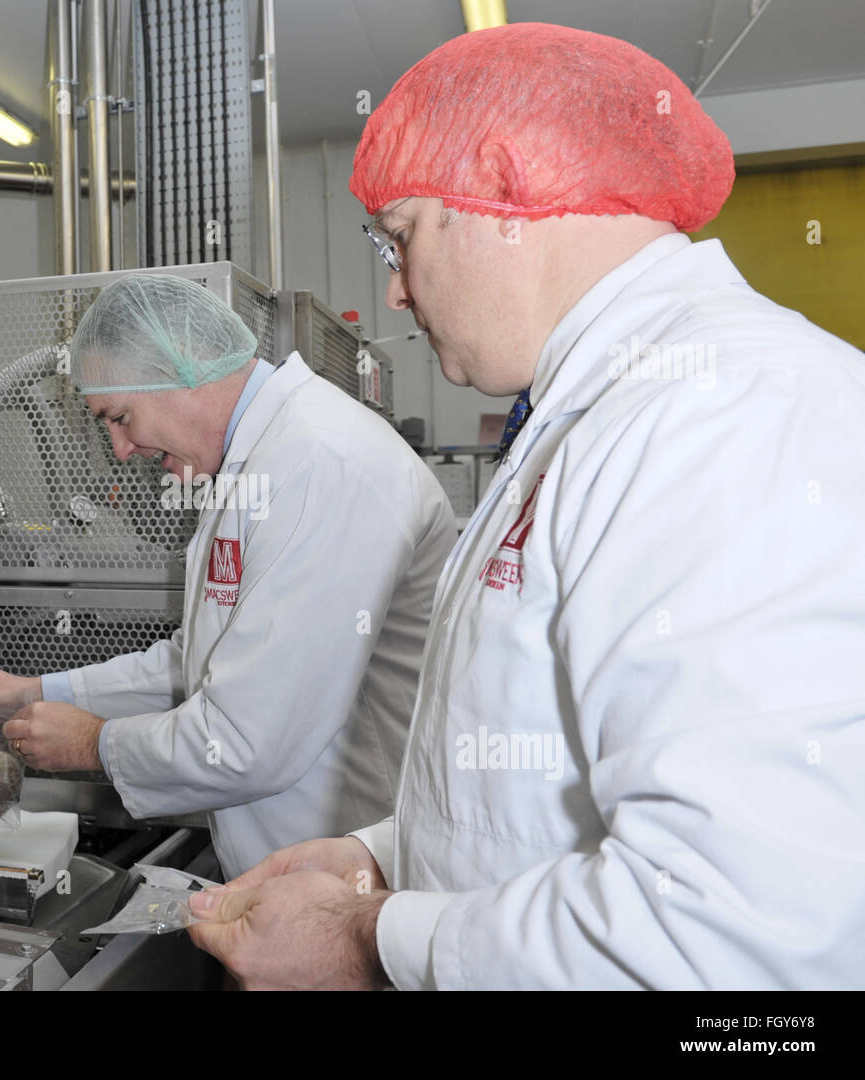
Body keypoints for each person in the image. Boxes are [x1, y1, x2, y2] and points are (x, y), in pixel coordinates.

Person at [187, 22, 865, 988]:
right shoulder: (599, 410)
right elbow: (555, 774)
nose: (391, 292)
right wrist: (385, 859)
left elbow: (733, 934)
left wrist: (367, 940)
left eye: (401, 236)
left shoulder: (727, 413)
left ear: (501, 189)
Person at [0, 274, 457, 879]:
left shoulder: (316, 463)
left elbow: (247, 741)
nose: (121, 449)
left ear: (179, 372)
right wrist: (34, 694)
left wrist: (94, 743)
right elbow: (202, 663)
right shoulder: (256, 463)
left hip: (353, 888)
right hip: (294, 878)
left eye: (120, 417)